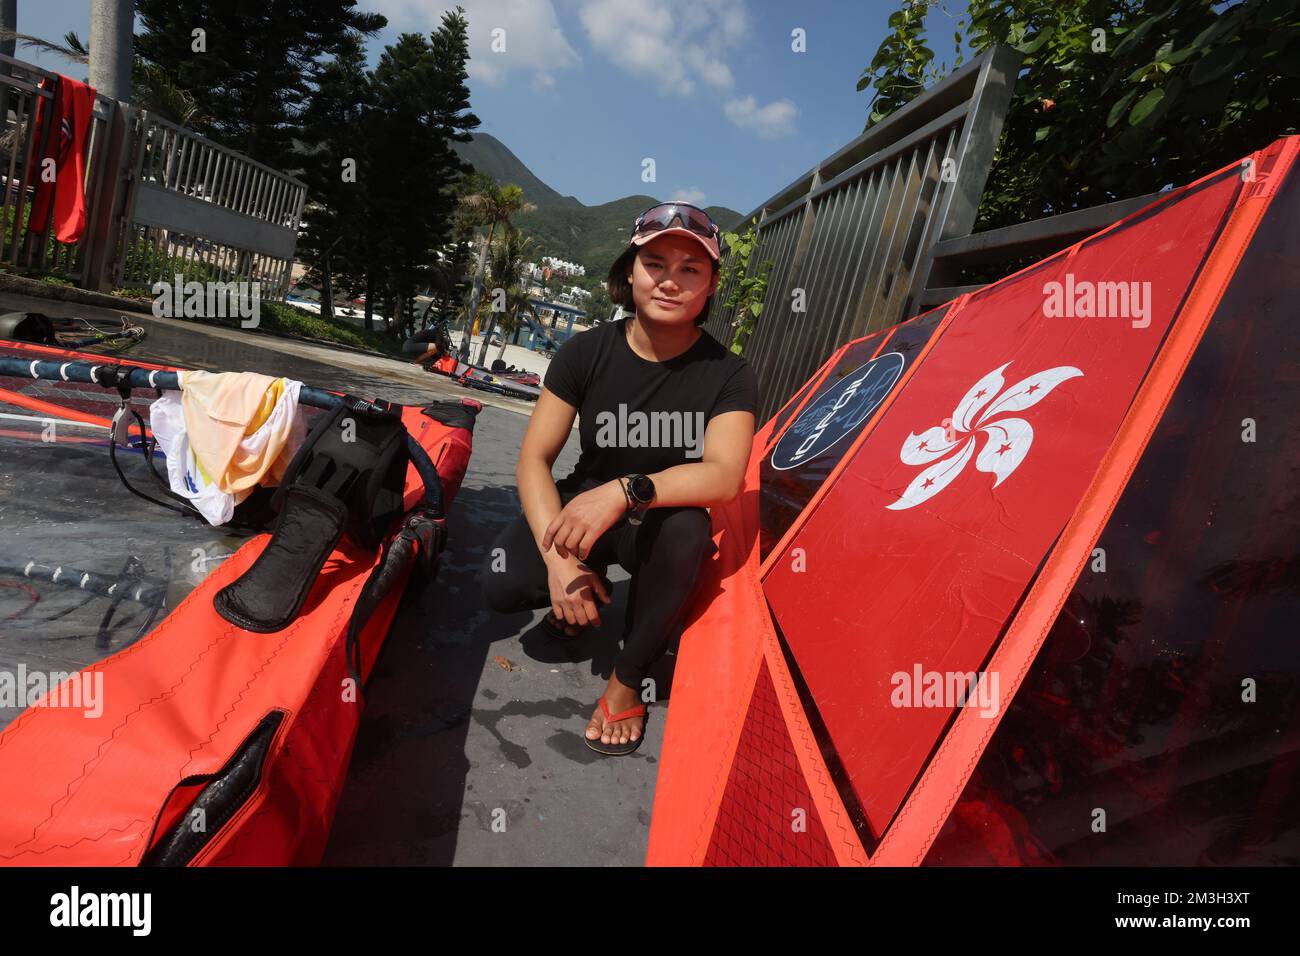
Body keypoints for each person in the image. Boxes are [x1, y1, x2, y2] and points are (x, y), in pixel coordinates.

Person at [478, 200, 758, 755]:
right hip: (584, 507)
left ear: (711, 284)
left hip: (652, 517)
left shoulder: (730, 375)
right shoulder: (586, 350)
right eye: (655, 263)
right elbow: (534, 460)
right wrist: (559, 561)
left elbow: (724, 476)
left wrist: (628, 489)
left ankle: (628, 678)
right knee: (503, 580)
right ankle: (582, 593)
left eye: (690, 269)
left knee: (687, 532)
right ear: (630, 270)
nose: (669, 281)